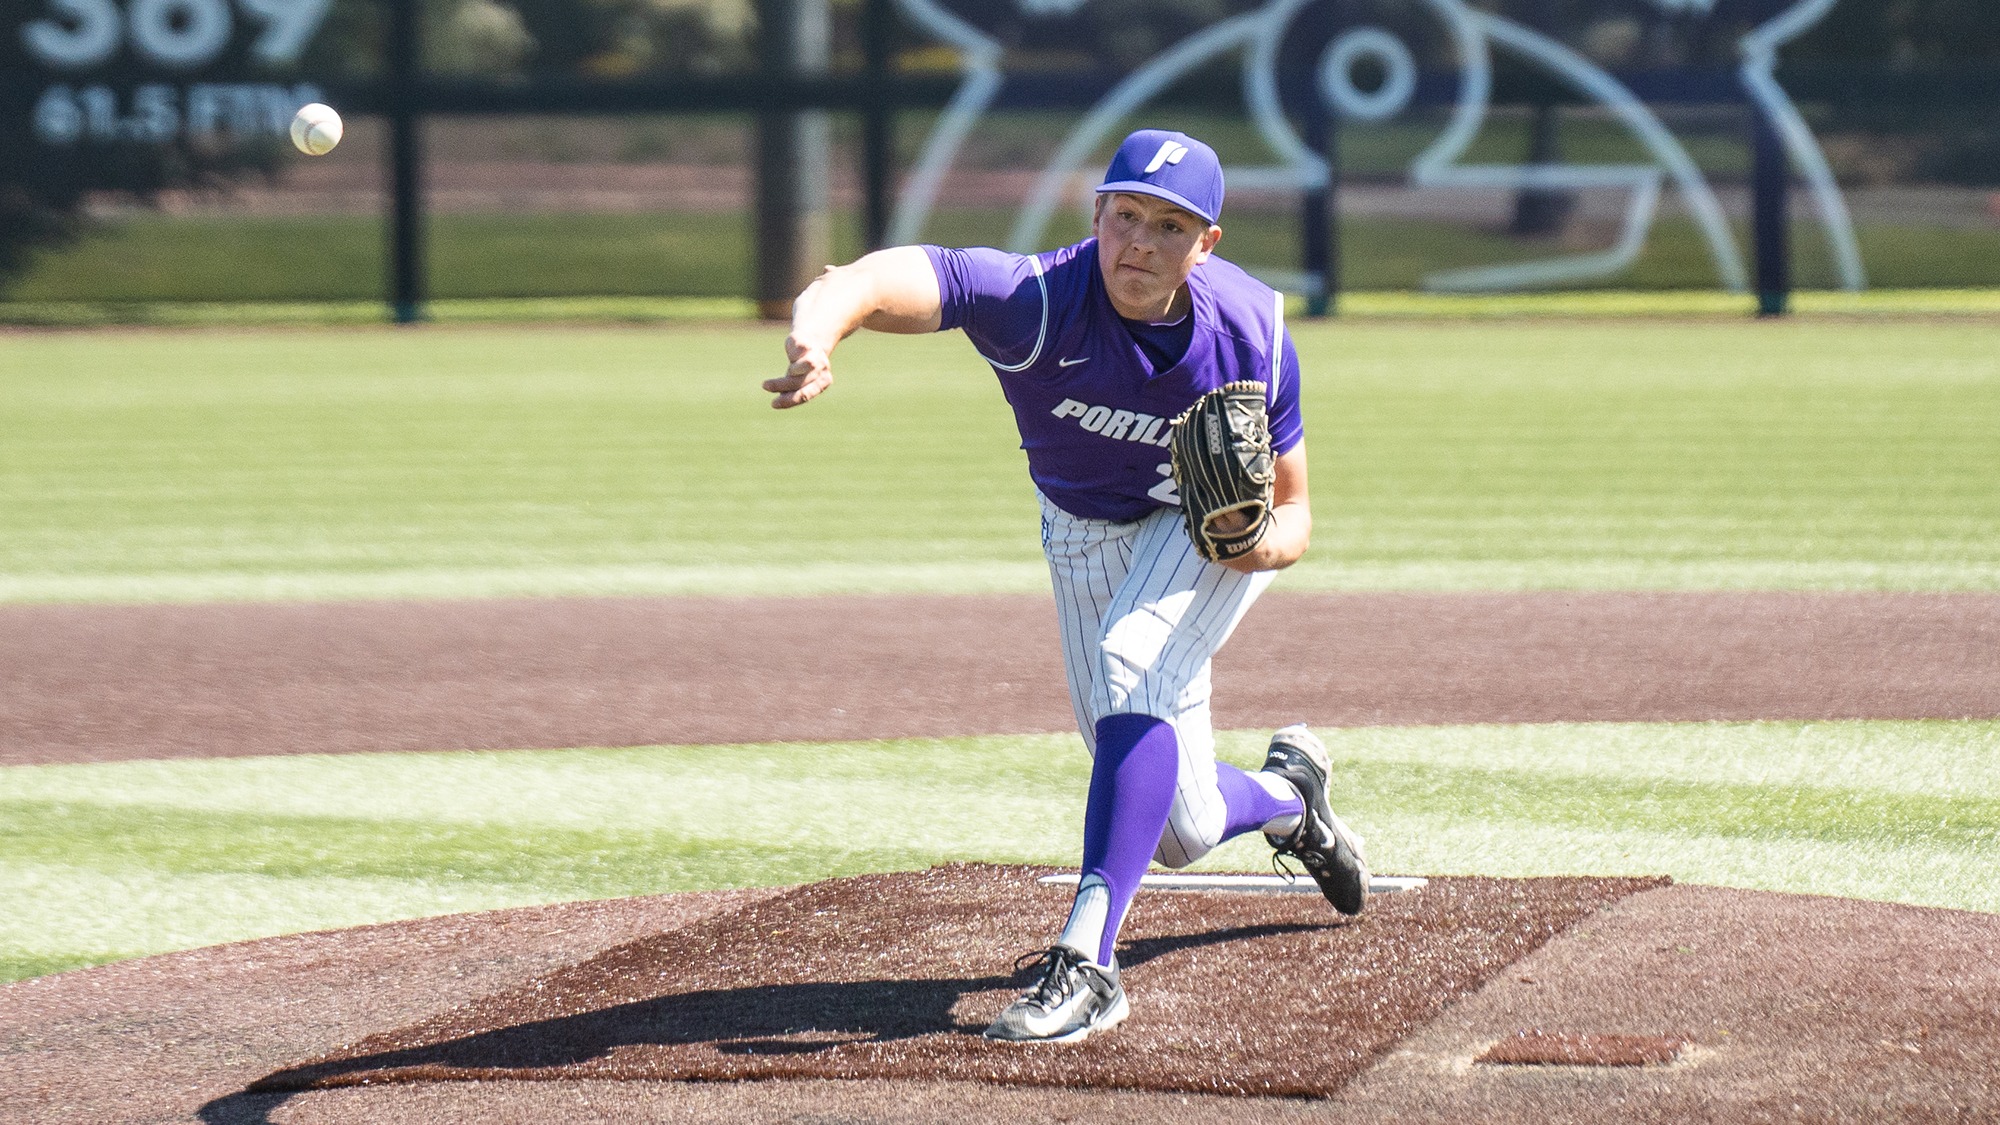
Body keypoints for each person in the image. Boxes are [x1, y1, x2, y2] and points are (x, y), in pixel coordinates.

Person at [765, 128, 1370, 1044]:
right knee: (1181, 829)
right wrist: (817, 334)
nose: (1140, 243)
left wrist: (1253, 546)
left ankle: (1087, 960)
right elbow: (875, 279)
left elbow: (1296, 513)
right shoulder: (1038, 301)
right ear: (1096, 215)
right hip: (1081, 532)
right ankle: (1293, 796)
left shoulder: (1251, 330)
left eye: (1170, 227)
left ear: (1207, 243)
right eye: (1126, 215)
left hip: (1199, 529)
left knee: (1133, 661)